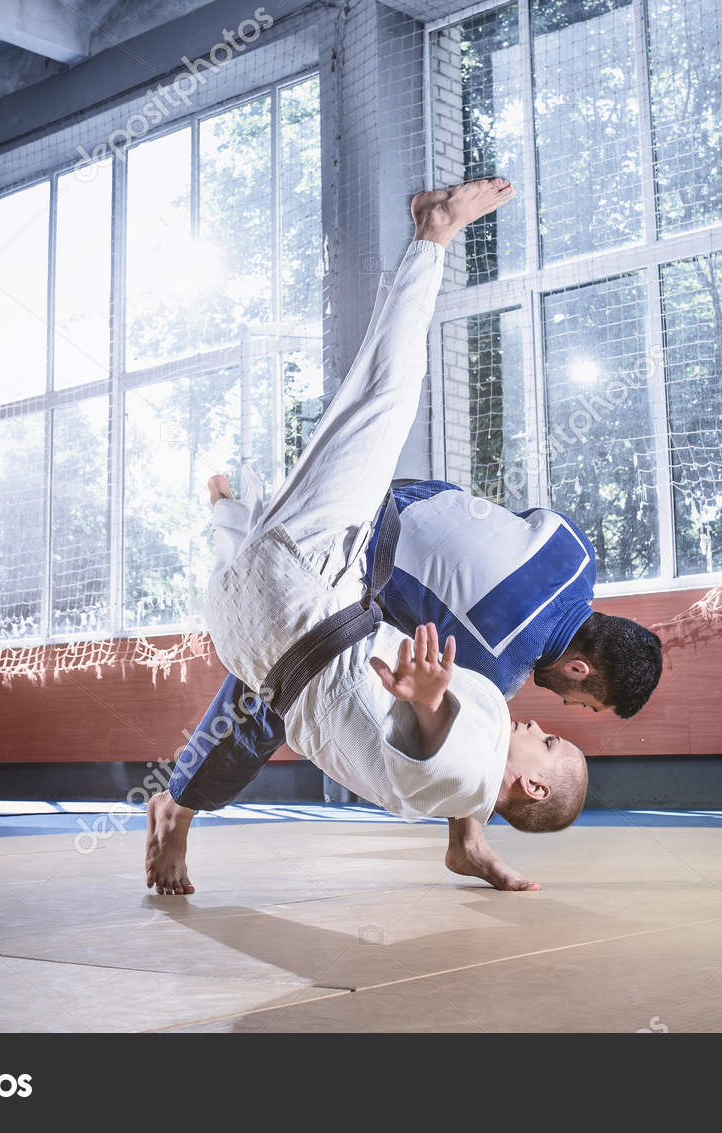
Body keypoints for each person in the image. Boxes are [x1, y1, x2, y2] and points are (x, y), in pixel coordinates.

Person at [148, 179, 594, 897]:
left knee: (385, 394)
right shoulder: (464, 790)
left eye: (550, 740)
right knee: (350, 439)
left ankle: (435, 234)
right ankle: (230, 519)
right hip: (249, 633)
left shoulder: (469, 763)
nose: (544, 724)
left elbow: (440, 755)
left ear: (532, 783)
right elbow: (450, 780)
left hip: (303, 598)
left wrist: (430, 702)